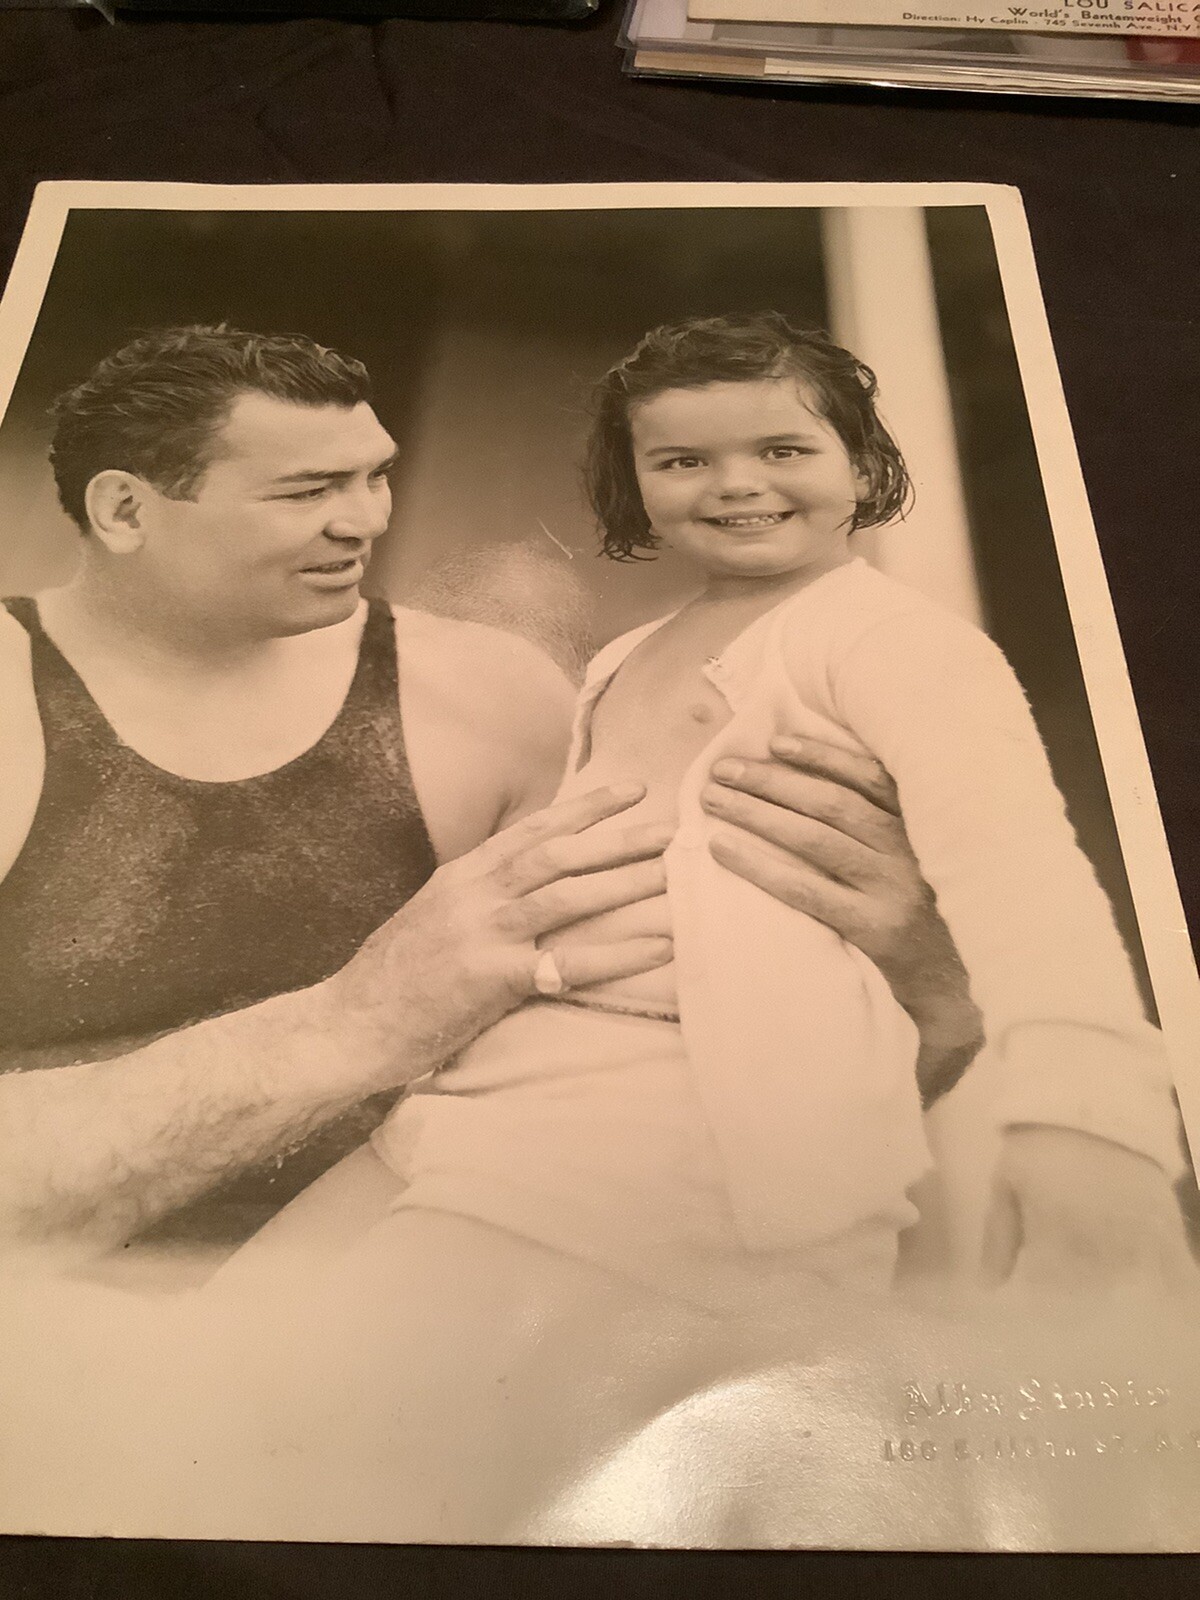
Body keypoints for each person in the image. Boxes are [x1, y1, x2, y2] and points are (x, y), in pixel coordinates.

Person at [231, 312, 1192, 1316]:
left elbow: (1023, 879)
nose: (736, 483)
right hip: (505, 1071)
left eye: (783, 449)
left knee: (376, 1387)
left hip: (682, 1115)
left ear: (864, 468)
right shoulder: (624, 654)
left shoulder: (891, 644)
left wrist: (1090, 1134)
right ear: (633, 482)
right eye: (684, 458)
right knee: (231, 1335)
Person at [0, 322, 981, 1276]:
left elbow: (715, 1071)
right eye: (305, 490)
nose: (366, 520)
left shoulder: (490, 699)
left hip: (406, 1320)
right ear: (126, 511)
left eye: (373, 475)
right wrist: (356, 1019)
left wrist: (922, 984)